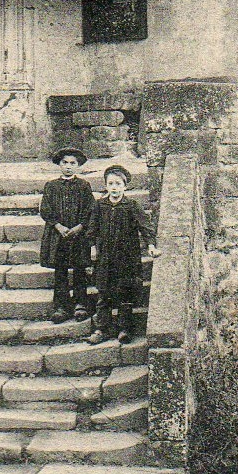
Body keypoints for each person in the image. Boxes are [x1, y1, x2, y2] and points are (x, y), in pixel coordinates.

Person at [87, 163, 157, 344]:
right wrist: (93, 248)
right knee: (104, 293)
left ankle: (124, 328)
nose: (114, 187)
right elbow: (92, 230)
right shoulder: (99, 206)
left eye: (118, 184)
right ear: (106, 186)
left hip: (127, 257)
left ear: (125, 186)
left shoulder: (131, 206)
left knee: (125, 292)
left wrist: (150, 245)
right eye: (110, 184)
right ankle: (101, 329)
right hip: (105, 257)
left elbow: (145, 227)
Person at [39, 146, 95, 322]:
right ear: (59, 164)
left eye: (72, 163)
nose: (68, 166)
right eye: (65, 162)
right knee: (60, 270)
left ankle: (80, 304)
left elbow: (90, 209)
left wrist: (80, 226)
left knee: (79, 269)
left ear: (78, 166)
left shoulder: (84, 186)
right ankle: (61, 306)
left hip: (78, 235)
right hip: (59, 235)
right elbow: (45, 209)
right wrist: (58, 226)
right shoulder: (51, 186)